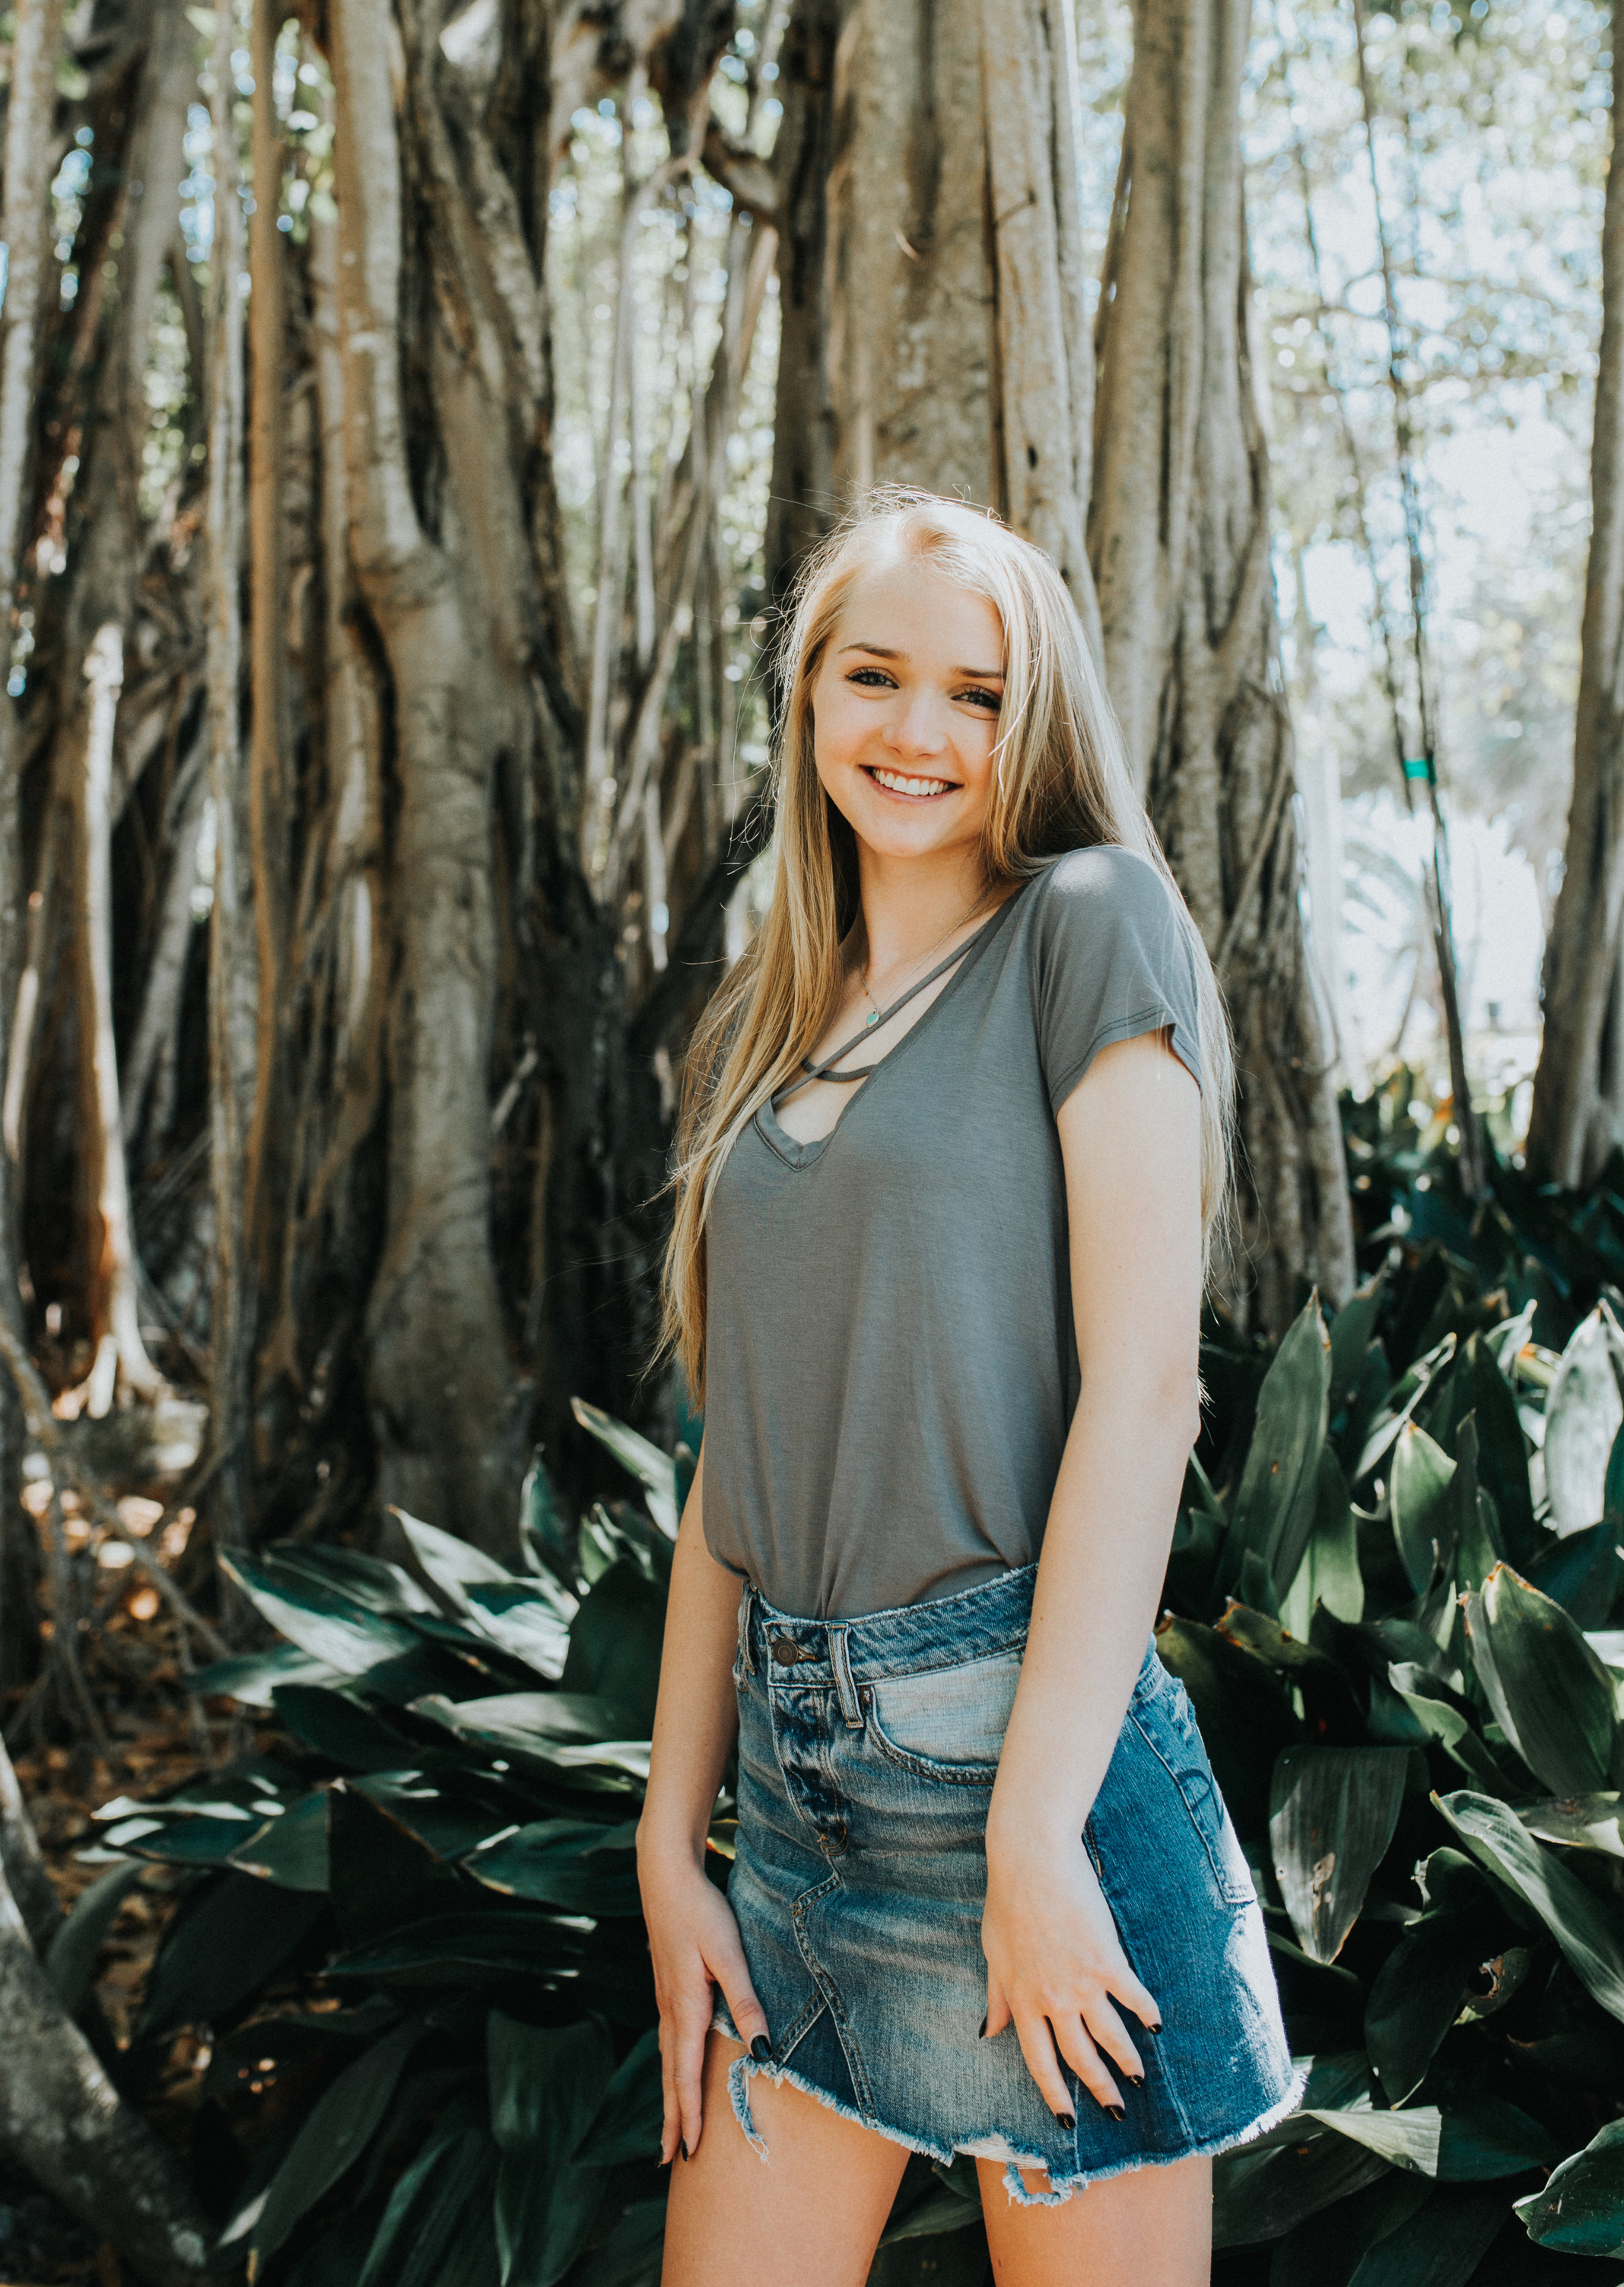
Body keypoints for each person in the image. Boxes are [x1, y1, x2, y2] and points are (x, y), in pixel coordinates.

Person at [637, 490, 1295, 2287]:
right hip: (791, 1795)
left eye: (977, 694)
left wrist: (1028, 1830)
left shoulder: (1087, 924)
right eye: (874, 675)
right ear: (808, 695)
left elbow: (1145, 1391)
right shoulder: (775, 1013)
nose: (917, 733)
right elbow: (731, 1458)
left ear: (1036, 719)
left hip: (1017, 1763)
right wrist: (662, 1835)